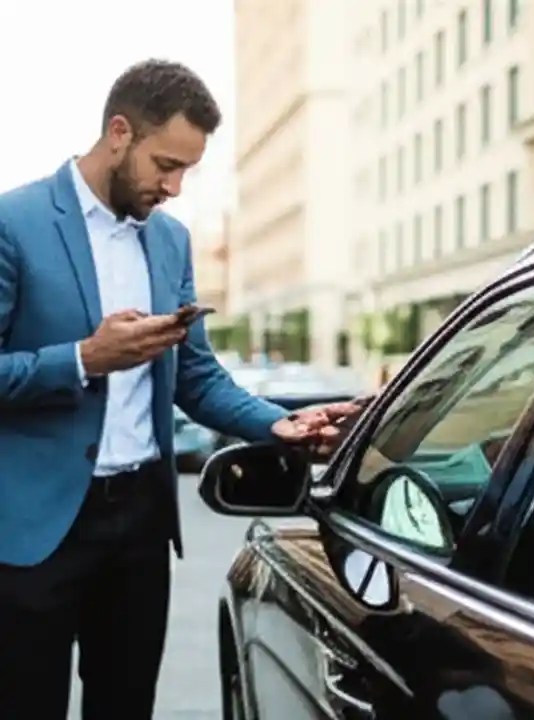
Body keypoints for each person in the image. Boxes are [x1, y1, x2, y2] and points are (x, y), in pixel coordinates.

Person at [0, 59, 359, 719]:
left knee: (127, 705)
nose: (174, 186)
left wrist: (276, 426)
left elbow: (194, 373)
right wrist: (84, 358)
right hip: (34, 529)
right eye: (166, 164)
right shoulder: (14, 222)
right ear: (118, 133)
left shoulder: (169, 241)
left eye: (187, 170)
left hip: (139, 521)